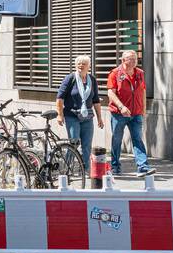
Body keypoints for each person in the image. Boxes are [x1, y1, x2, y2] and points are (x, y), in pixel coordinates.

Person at [106, 49, 154, 177]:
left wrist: (143, 108)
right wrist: (121, 107)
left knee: (137, 139)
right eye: (131, 59)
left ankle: (143, 167)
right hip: (119, 113)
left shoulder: (140, 73)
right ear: (123, 60)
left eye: (135, 59)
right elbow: (111, 93)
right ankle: (115, 166)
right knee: (117, 140)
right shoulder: (115, 73)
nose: (134, 62)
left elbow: (143, 90)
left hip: (136, 113)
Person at [56, 54, 104, 170]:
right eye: (79, 64)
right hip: (72, 116)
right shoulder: (70, 78)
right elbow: (60, 97)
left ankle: (85, 169)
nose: (81, 66)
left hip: (87, 117)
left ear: (88, 66)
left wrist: (99, 118)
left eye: (84, 64)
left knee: (87, 145)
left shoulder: (92, 79)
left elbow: (96, 100)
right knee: (74, 143)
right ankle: (67, 169)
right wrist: (59, 114)